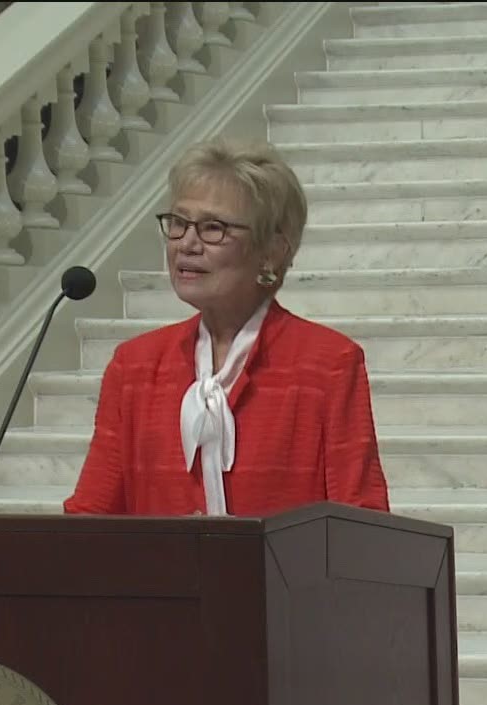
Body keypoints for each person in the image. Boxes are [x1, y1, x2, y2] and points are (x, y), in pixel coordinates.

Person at [64, 138, 390, 517]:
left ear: (272, 250)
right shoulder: (134, 367)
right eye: (178, 223)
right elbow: (88, 521)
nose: (186, 243)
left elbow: (362, 525)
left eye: (213, 228)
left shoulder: (327, 364)